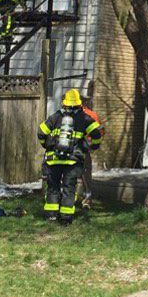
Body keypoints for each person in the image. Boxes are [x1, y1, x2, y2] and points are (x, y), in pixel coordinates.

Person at [37, 89, 102, 224]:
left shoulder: (55, 116)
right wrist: (93, 146)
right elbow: (97, 133)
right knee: (69, 188)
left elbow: (41, 132)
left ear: (64, 103)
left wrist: (46, 145)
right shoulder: (84, 118)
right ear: (79, 103)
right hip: (73, 161)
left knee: (53, 187)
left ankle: (51, 216)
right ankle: (66, 219)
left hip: (54, 160)